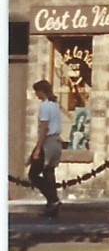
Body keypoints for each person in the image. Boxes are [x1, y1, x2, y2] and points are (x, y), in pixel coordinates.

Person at [28, 80, 63, 218]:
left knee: (34, 174)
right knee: (49, 172)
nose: (36, 94)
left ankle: (53, 198)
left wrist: (38, 149)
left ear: (41, 91)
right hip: (56, 141)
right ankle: (52, 206)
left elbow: (44, 128)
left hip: (48, 142)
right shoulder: (55, 106)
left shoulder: (45, 107)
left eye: (37, 91)